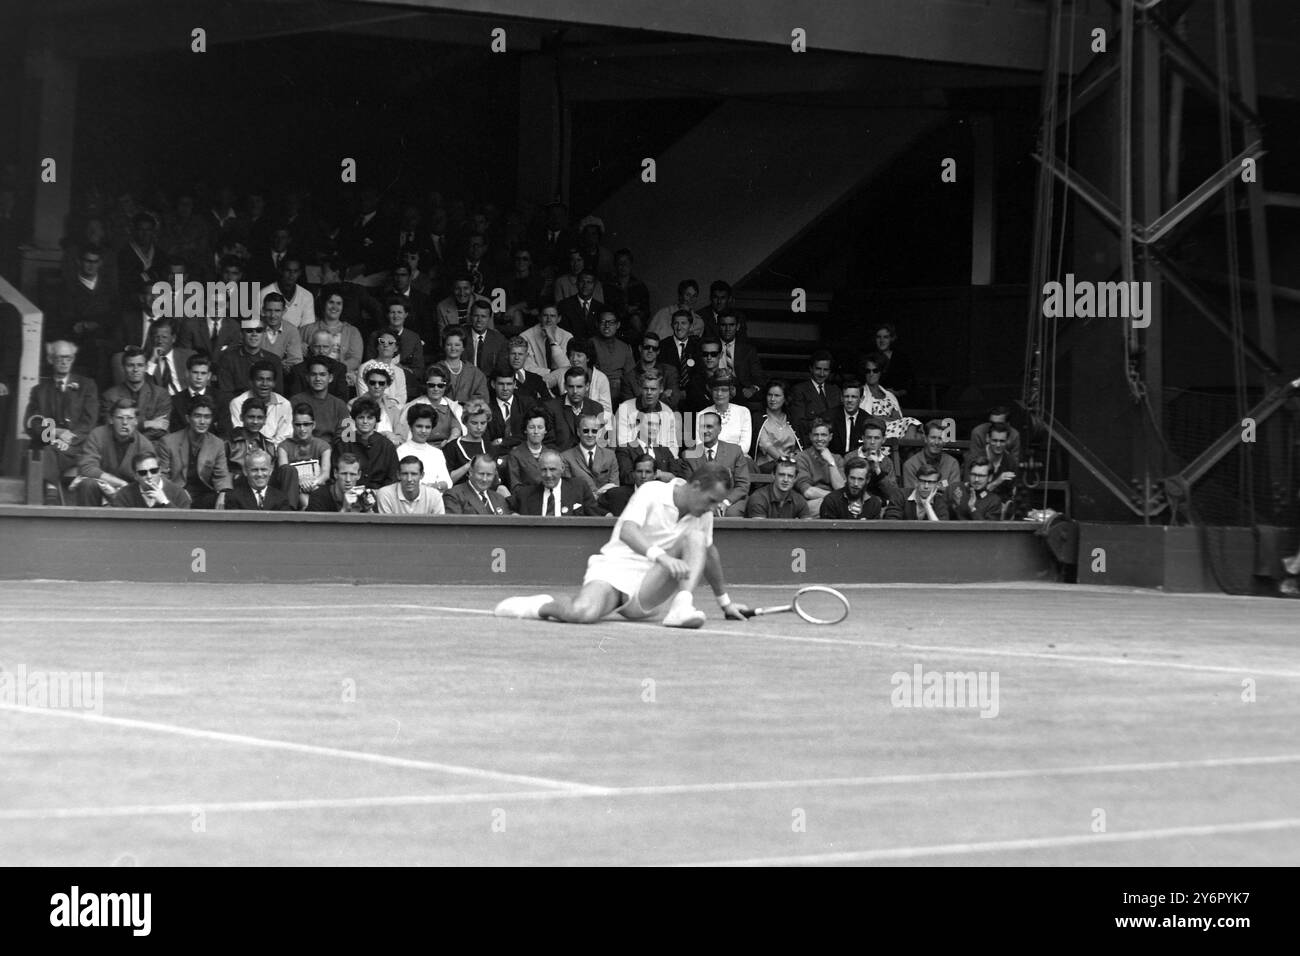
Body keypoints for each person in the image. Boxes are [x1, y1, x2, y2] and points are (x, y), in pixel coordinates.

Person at [494, 463, 749, 629]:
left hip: (651, 589)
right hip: (614, 571)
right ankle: (537, 606)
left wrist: (725, 603)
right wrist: (663, 557)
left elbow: (708, 552)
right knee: (581, 613)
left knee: (696, 538)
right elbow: (628, 531)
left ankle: (681, 606)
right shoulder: (652, 491)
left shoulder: (703, 515)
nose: (713, 508)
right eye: (711, 500)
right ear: (695, 486)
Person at [73, 399, 155, 506]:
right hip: (101, 489)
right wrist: (120, 483)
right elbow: (87, 468)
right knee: (87, 484)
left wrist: (124, 489)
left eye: (130, 418)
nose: (125, 423)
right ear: (111, 419)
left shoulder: (144, 445)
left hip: (131, 495)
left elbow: (150, 478)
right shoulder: (97, 435)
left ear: (136, 421)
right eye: (120, 418)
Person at [157, 395, 231, 509]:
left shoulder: (217, 444)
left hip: (205, 495)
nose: (202, 422)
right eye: (197, 416)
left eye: (207, 417)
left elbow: (222, 475)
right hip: (176, 494)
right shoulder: (168, 442)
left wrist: (223, 493)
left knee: (228, 500)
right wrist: (179, 492)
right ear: (188, 418)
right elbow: (162, 476)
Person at [677, 411, 750, 517]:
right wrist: (709, 503)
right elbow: (690, 486)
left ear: (719, 429)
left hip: (730, 500)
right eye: (702, 427)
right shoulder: (689, 455)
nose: (705, 431)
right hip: (701, 500)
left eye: (709, 427)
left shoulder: (735, 451)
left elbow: (743, 484)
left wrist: (725, 502)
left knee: (731, 514)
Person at [100, 347, 171, 440]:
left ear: (146, 367)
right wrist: (146, 424)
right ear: (123, 367)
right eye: (130, 365)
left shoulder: (161, 394)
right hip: (119, 447)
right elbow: (111, 428)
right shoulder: (109, 396)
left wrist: (131, 437)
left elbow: (161, 429)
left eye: (140, 365)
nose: (135, 369)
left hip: (152, 446)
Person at [333, 397, 399, 489]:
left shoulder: (387, 446)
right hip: (348, 492)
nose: (365, 421)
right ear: (354, 419)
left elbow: (392, 478)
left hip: (380, 494)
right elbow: (335, 475)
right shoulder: (343, 443)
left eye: (370, 418)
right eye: (361, 417)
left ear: (376, 420)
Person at [513, 448, 601, 516]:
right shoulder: (525, 494)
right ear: (538, 470)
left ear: (562, 468)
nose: (548, 475)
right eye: (544, 470)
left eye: (552, 469)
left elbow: (595, 518)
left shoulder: (579, 488)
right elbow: (506, 506)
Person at [560, 414, 620, 512]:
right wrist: (598, 493)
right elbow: (569, 490)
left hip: (606, 508)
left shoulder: (610, 455)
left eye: (594, 431)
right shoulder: (565, 457)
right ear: (578, 432)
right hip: (579, 509)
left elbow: (615, 487)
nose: (590, 435)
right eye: (586, 431)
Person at [277, 403, 332, 509]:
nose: (302, 429)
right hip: (292, 491)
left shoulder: (323, 446)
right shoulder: (283, 447)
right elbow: (284, 474)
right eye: (298, 425)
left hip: (316, 487)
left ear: (313, 425)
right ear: (293, 425)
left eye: (306, 424)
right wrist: (300, 483)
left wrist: (311, 484)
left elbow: (325, 474)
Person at [287, 356, 353, 441]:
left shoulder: (340, 405)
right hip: (302, 446)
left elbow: (347, 437)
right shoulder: (295, 401)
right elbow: (290, 433)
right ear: (307, 377)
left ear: (330, 378)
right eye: (313, 374)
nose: (318, 379)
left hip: (333, 448)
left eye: (322, 374)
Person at [614, 368, 679, 454]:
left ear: (661, 389)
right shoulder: (624, 409)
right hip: (633, 458)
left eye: (653, 389)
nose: (649, 393)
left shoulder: (667, 412)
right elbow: (623, 444)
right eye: (645, 388)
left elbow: (672, 446)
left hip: (661, 459)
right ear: (640, 389)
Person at [394, 369, 462, 446]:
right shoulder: (413, 406)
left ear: (446, 387)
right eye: (431, 385)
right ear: (425, 386)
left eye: (440, 385)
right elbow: (405, 435)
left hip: (448, 447)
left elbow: (456, 428)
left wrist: (449, 443)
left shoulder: (453, 407)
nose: (436, 389)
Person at [861, 351, 919, 440]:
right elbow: (864, 417)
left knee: (911, 424)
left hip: (893, 429)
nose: (871, 374)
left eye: (875, 371)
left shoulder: (889, 396)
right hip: (874, 430)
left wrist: (882, 418)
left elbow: (898, 418)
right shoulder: (861, 392)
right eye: (868, 371)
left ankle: (906, 447)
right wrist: (885, 418)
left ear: (881, 372)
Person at [543, 367, 605, 450]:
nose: (575, 391)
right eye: (571, 387)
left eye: (579, 387)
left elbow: (601, 441)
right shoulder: (551, 407)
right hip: (561, 456)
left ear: (587, 386)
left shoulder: (596, 408)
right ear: (565, 386)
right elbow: (549, 444)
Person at [394, 405, 453, 492]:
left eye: (427, 427)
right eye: (419, 426)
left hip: (434, 497)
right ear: (411, 427)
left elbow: (448, 482)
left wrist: (435, 486)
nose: (423, 431)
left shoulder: (437, 453)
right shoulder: (401, 451)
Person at [793, 420, 845, 518]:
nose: (819, 439)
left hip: (833, 503)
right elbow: (808, 492)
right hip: (809, 504)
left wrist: (831, 462)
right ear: (810, 436)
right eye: (816, 435)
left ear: (830, 437)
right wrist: (834, 498)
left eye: (823, 435)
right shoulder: (801, 457)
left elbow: (840, 488)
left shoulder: (837, 459)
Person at [787, 350, 841, 442]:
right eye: (818, 369)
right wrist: (815, 423)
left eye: (826, 370)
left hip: (833, 442)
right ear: (811, 368)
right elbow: (797, 422)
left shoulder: (835, 390)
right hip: (810, 441)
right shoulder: (799, 390)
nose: (822, 374)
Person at [110, 452, 191, 509]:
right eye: (143, 472)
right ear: (135, 476)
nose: (149, 476)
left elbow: (184, 525)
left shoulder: (178, 493)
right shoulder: (124, 495)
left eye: (153, 471)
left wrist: (165, 502)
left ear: (160, 471)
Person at [694, 372, 751, 453]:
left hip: (738, 458)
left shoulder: (743, 412)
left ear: (730, 392)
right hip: (711, 458)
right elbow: (700, 444)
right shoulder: (702, 414)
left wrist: (729, 457)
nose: (719, 394)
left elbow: (745, 445)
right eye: (715, 390)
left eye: (724, 390)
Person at [752, 379, 801, 472]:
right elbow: (766, 445)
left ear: (785, 398)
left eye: (777, 395)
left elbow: (798, 447)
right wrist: (784, 462)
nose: (772, 399)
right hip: (767, 467)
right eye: (770, 395)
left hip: (791, 464)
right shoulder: (759, 418)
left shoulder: (792, 419)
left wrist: (794, 459)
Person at [224, 448, 295, 511]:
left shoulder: (281, 498)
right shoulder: (233, 498)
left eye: (263, 469)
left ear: (271, 470)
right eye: (254, 470)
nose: (260, 474)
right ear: (245, 471)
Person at [902, 419, 962, 492]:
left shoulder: (952, 463)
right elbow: (910, 494)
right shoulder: (910, 465)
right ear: (925, 438)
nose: (936, 442)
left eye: (940, 438)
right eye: (933, 437)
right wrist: (941, 488)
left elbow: (955, 493)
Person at [436, 325, 489, 406]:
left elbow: (483, 400)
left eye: (457, 345)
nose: (453, 348)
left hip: (468, 412)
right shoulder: (435, 370)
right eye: (449, 344)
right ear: (444, 346)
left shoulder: (475, 373)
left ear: (463, 347)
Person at [444, 454, 513, 515]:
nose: (484, 479)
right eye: (481, 474)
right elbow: (454, 524)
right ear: (470, 472)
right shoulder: (454, 495)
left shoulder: (499, 498)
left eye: (489, 475)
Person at [305, 452, 376, 512]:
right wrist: (345, 510)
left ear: (359, 475)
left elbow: (376, 523)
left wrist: (368, 510)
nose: (348, 479)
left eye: (352, 474)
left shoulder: (365, 495)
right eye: (344, 474)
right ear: (335, 473)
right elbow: (315, 524)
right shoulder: (319, 496)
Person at [376, 456, 446, 515]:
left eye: (414, 474)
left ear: (422, 475)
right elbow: (386, 526)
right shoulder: (385, 494)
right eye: (405, 474)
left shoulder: (434, 495)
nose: (409, 479)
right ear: (398, 475)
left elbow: (440, 525)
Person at [818, 458, 884, 520]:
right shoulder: (831, 501)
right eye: (852, 478)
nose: (855, 484)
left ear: (867, 480)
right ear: (846, 477)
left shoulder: (874, 503)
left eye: (860, 479)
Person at [745, 458, 810, 519]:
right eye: (781, 475)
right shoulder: (758, 498)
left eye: (790, 476)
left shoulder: (799, 500)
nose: (785, 480)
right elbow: (758, 527)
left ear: (795, 478)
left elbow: (808, 525)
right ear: (773, 475)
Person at [872, 323, 914, 400]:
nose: (882, 340)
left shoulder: (901, 359)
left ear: (891, 339)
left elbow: (910, 384)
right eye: (878, 337)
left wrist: (897, 393)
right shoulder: (870, 358)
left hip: (898, 400)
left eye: (885, 337)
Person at [828, 380, 870, 457]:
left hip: (859, 461)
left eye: (854, 397)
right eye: (846, 396)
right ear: (841, 398)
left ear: (861, 399)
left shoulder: (867, 420)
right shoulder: (829, 417)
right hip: (833, 460)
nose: (849, 400)